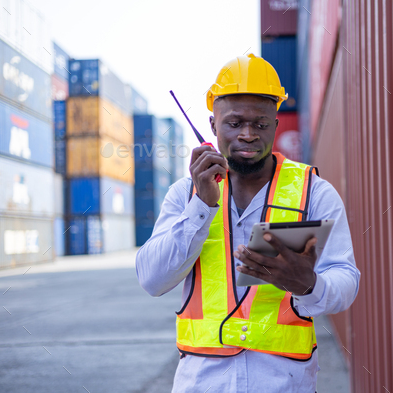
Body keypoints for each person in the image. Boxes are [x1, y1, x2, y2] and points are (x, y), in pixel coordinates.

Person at [135, 53, 360, 392]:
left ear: (276, 124)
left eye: (260, 124)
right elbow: (152, 280)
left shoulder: (313, 193)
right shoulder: (185, 194)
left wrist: (309, 284)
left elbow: (346, 281)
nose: (248, 134)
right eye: (234, 123)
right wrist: (201, 205)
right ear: (212, 126)